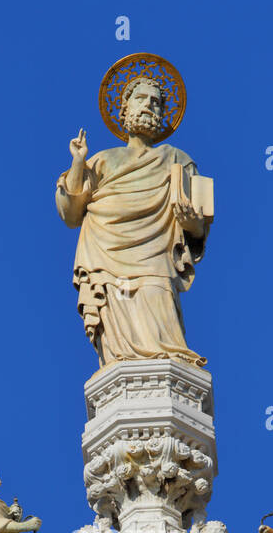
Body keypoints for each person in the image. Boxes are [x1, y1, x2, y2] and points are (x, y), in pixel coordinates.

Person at [56, 75, 208, 368]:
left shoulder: (179, 161)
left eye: (156, 102)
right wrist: (78, 162)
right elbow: (71, 212)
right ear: (124, 109)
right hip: (105, 256)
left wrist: (191, 225)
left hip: (156, 259)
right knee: (117, 350)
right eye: (141, 98)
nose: (149, 106)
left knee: (163, 332)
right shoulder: (101, 160)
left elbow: (199, 224)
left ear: (163, 115)